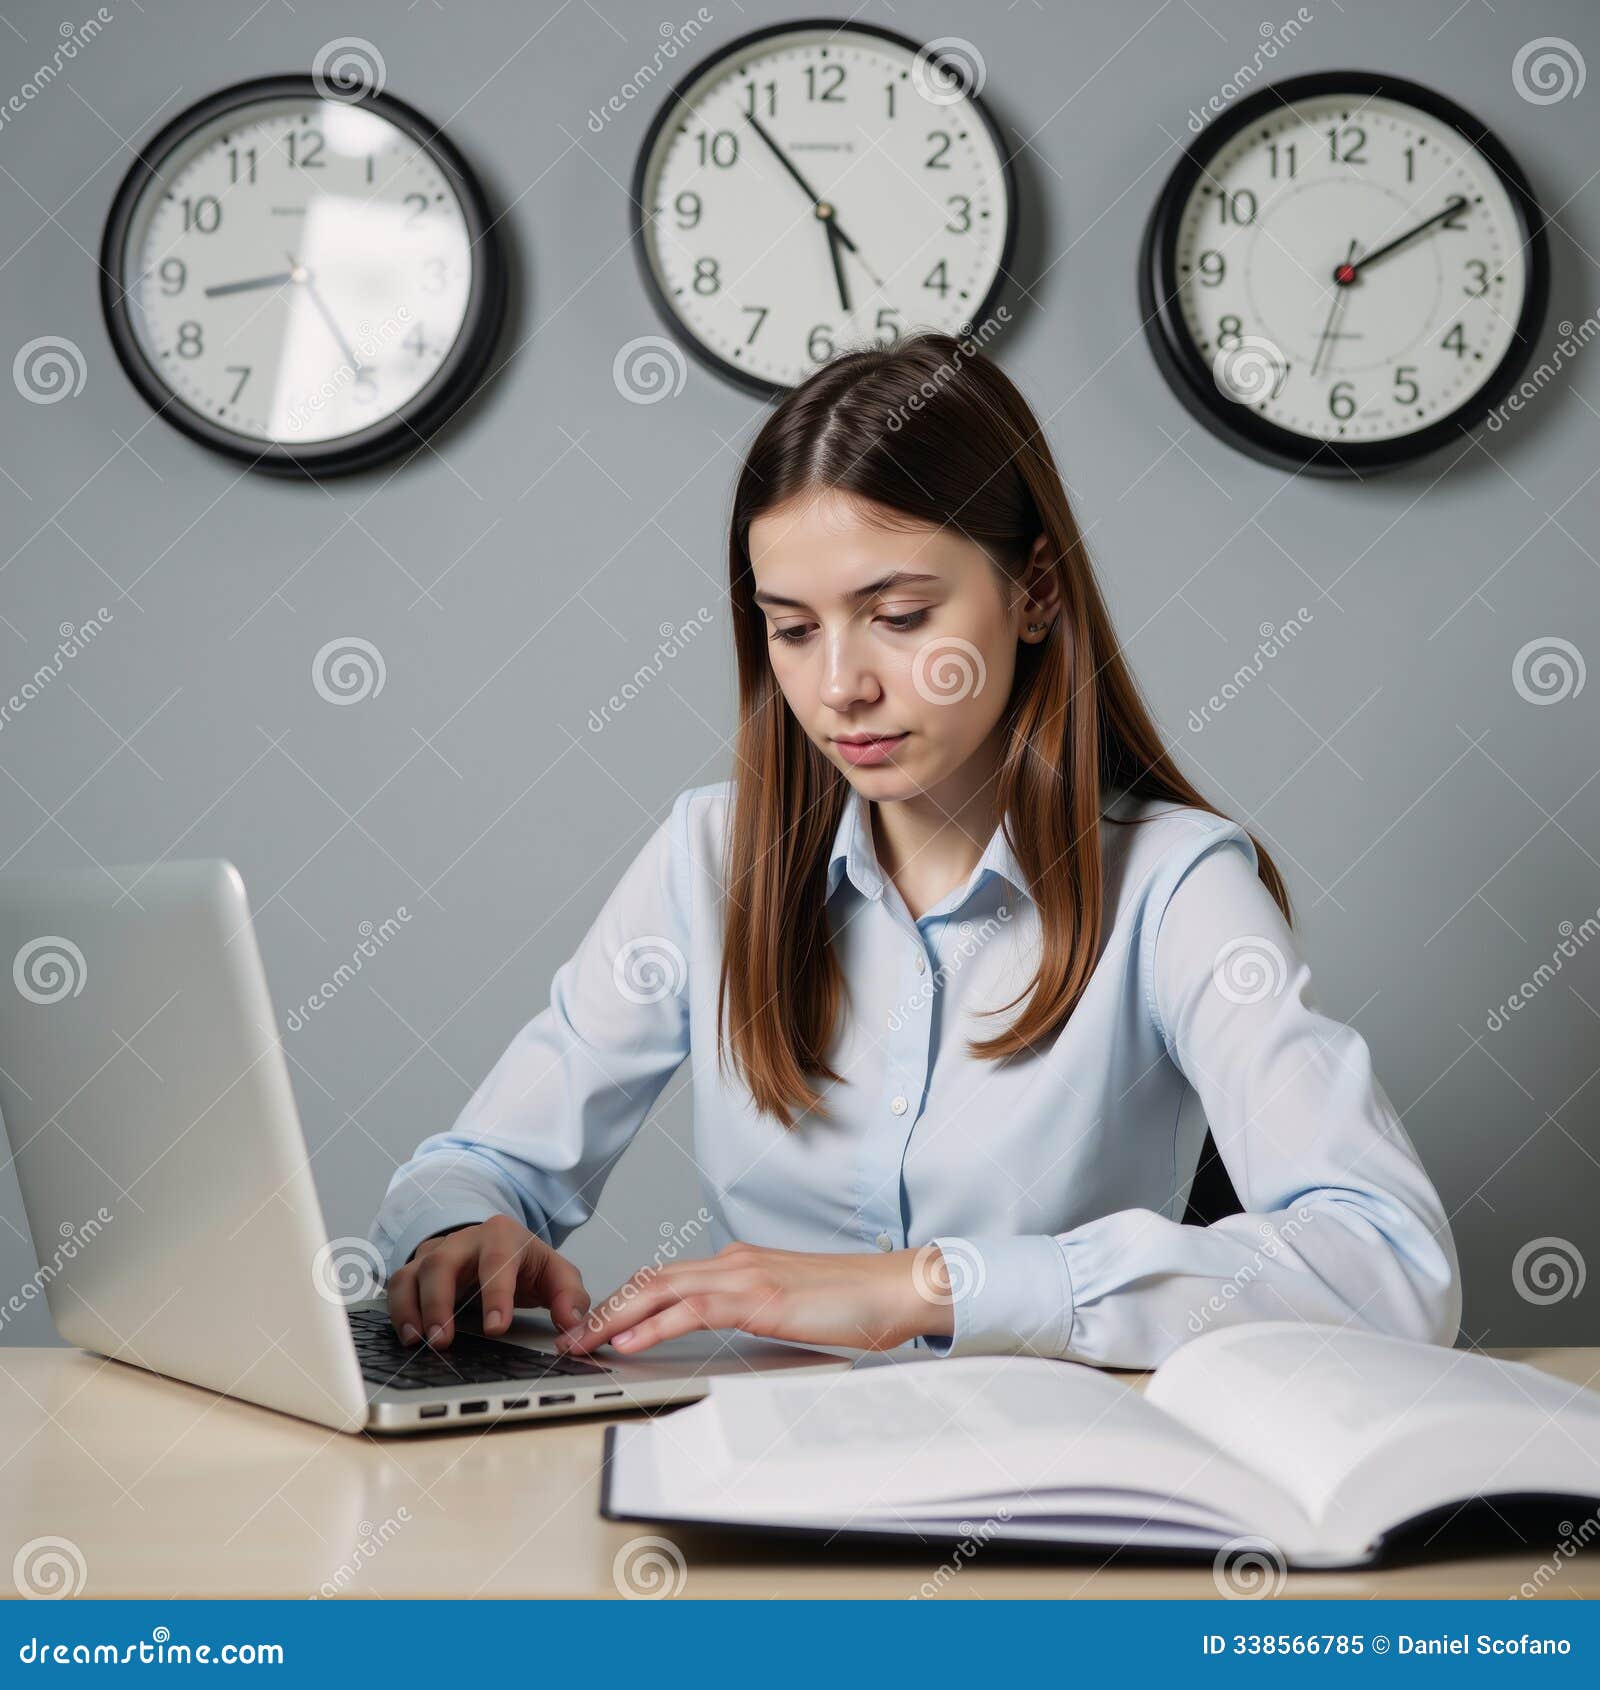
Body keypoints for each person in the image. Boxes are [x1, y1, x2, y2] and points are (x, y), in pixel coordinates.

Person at [369, 331, 1461, 1371]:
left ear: (1033, 591)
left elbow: (1392, 1268)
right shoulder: (709, 857)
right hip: (757, 1488)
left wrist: (923, 1289)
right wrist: (465, 1231)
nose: (839, 684)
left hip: (1048, 1493)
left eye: (896, 614)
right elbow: (481, 1165)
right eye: (792, 629)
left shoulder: (1176, 887)